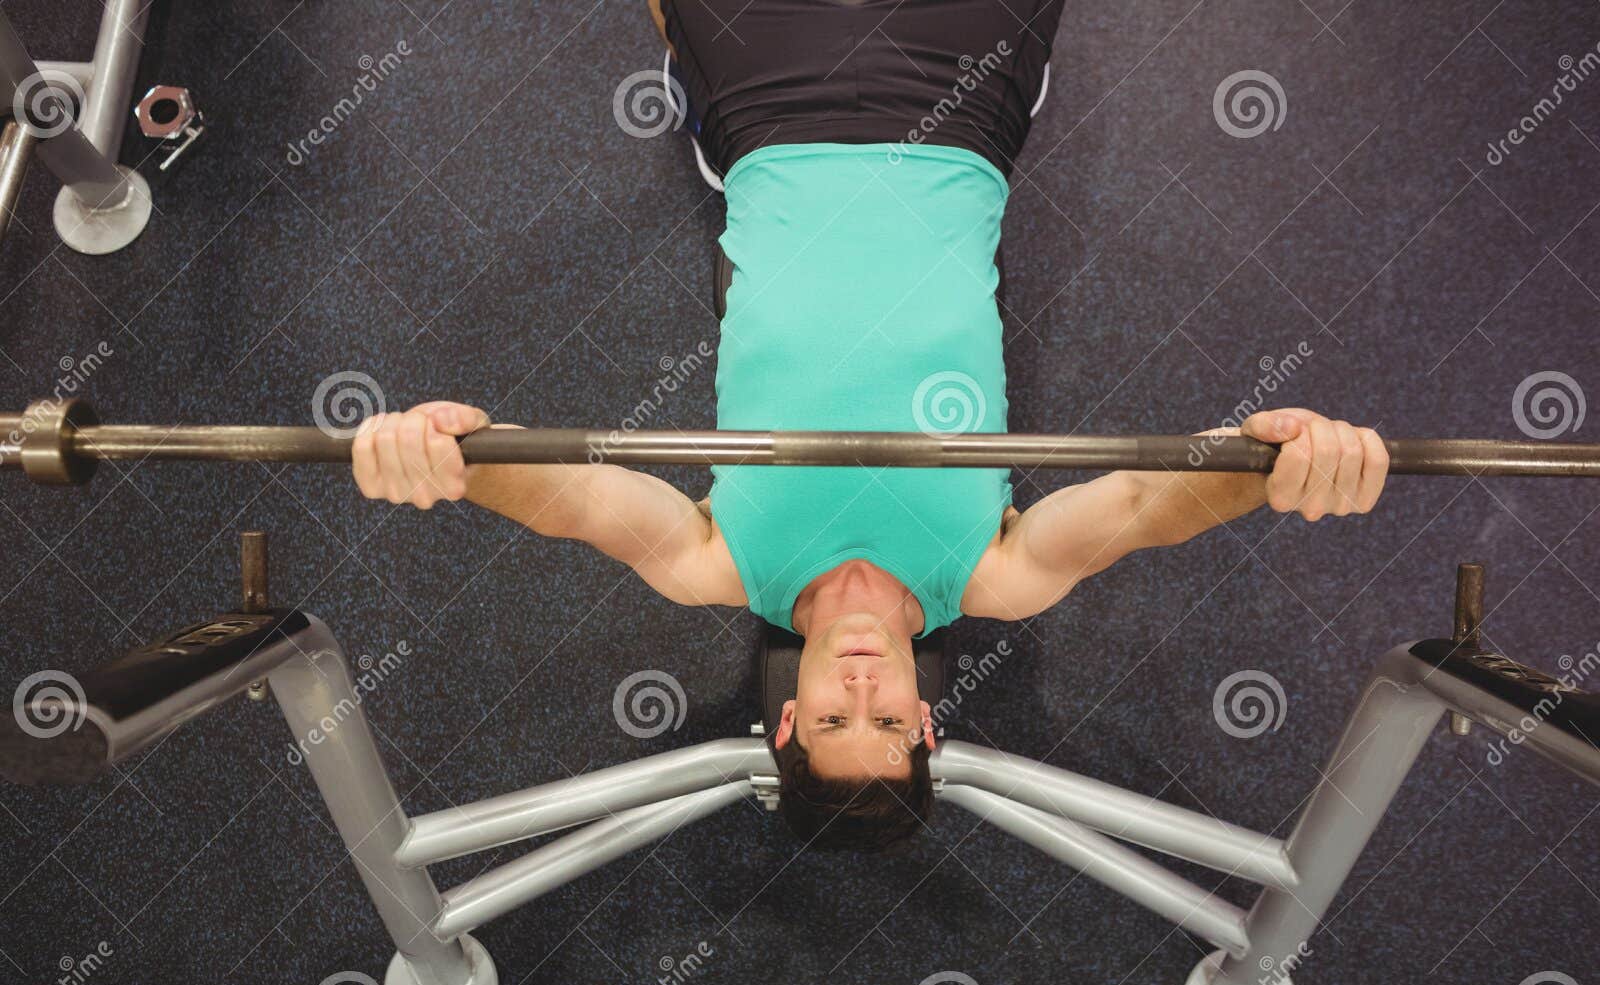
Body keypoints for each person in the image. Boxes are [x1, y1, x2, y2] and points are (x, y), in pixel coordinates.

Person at [350, 2, 1390, 850]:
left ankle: (695, 105)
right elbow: (1137, 504)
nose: (860, 686)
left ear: (788, 718)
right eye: (888, 721)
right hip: (955, 110)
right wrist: (1269, 464)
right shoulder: (993, 574)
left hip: (772, 122)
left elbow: (570, 493)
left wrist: (458, 456)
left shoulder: (714, 561)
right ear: (926, 718)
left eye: (837, 718)